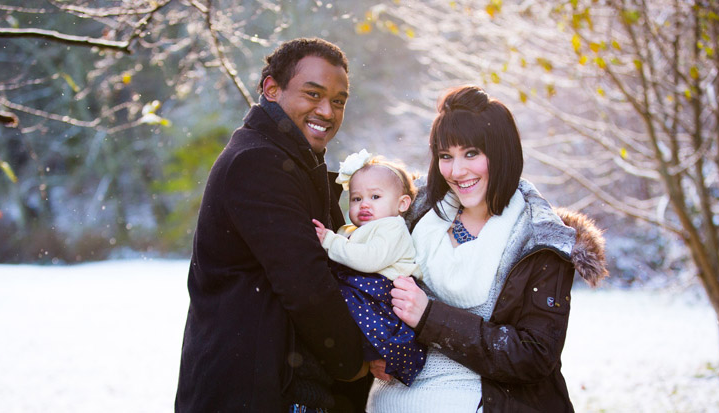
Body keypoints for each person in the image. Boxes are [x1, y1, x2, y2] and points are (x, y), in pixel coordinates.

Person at [367, 85, 609, 412]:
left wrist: (430, 317)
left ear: (501, 152)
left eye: (471, 154)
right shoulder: (411, 216)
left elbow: (533, 356)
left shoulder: (538, 240)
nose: (457, 171)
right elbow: (360, 290)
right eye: (445, 156)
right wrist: (369, 351)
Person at [175, 38, 367, 413]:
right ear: (271, 89)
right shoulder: (257, 162)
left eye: (339, 101)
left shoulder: (293, 161)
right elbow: (305, 283)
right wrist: (354, 364)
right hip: (248, 392)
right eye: (313, 94)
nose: (327, 111)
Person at [312, 150, 427, 387]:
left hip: (384, 294)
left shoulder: (392, 227)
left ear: (402, 203)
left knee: (353, 304)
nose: (364, 204)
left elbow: (369, 259)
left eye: (375, 197)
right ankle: (368, 355)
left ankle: (383, 355)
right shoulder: (358, 229)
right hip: (368, 291)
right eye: (356, 199)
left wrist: (330, 241)